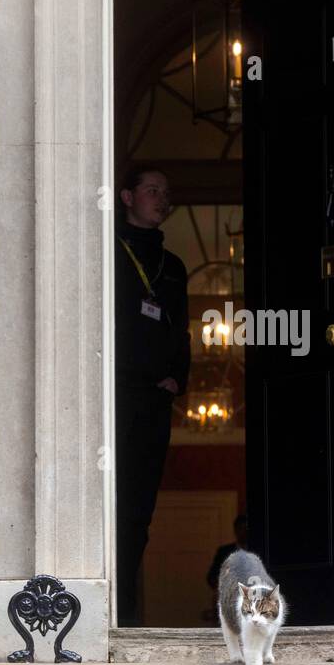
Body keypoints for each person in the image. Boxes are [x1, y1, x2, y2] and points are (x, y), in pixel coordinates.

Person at [114, 167, 190, 627]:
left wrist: (179, 378)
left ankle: (125, 602)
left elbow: (182, 329)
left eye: (167, 191)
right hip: (116, 395)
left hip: (155, 399)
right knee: (115, 501)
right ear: (126, 196)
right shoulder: (108, 252)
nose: (162, 199)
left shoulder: (175, 266)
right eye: (152, 190)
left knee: (141, 506)